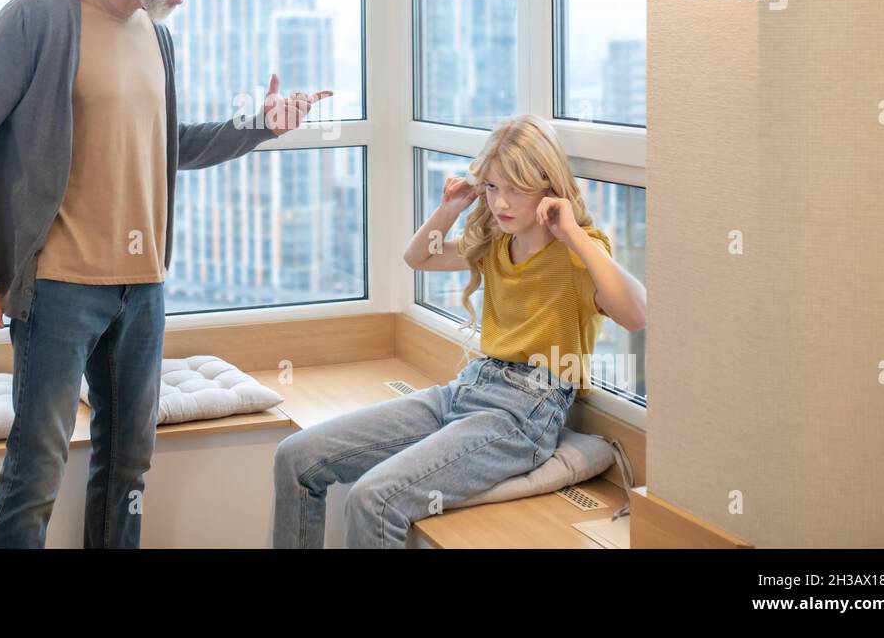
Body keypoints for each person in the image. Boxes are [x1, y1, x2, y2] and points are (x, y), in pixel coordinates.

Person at [0, 0, 333, 548]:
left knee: (128, 473)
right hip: (59, 288)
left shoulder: (158, 35)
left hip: (143, 290)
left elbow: (169, 145)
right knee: (36, 470)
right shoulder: (40, 17)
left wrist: (258, 125)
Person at [270, 114, 647, 547]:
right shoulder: (496, 244)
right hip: (467, 387)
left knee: (373, 500)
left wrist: (572, 232)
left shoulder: (578, 254)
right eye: (492, 186)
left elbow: (636, 314)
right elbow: (419, 257)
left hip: (522, 413)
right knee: (296, 457)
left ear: (548, 187)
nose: (500, 202)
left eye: (515, 188)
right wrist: (451, 207)